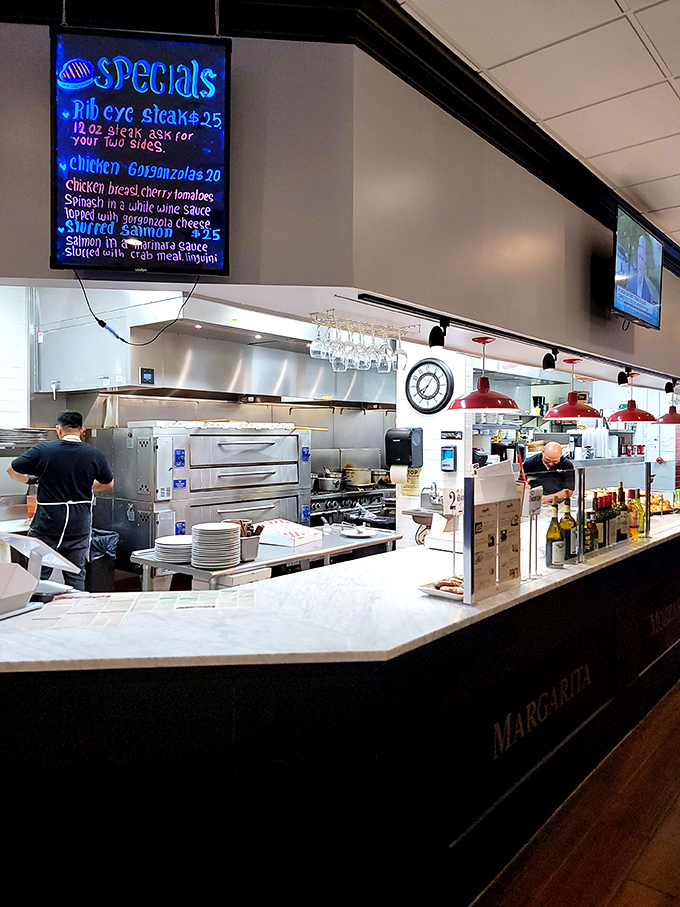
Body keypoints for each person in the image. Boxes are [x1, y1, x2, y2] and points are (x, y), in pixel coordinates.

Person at [6, 411, 114, 591]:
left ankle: (37, 613)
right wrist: (85, 485)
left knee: (38, 574)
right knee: (76, 573)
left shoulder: (43, 451)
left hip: (48, 523)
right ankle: (76, 612)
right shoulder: (94, 454)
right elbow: (108, 484)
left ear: (58, 429)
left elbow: (11, 470)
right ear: (82, 430)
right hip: (78, 523)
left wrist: (29, 480)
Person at [627, 234, 652, 301]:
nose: (640, 263)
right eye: (639, 257)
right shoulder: (628, 283)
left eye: (642, 258)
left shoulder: (648, 294)